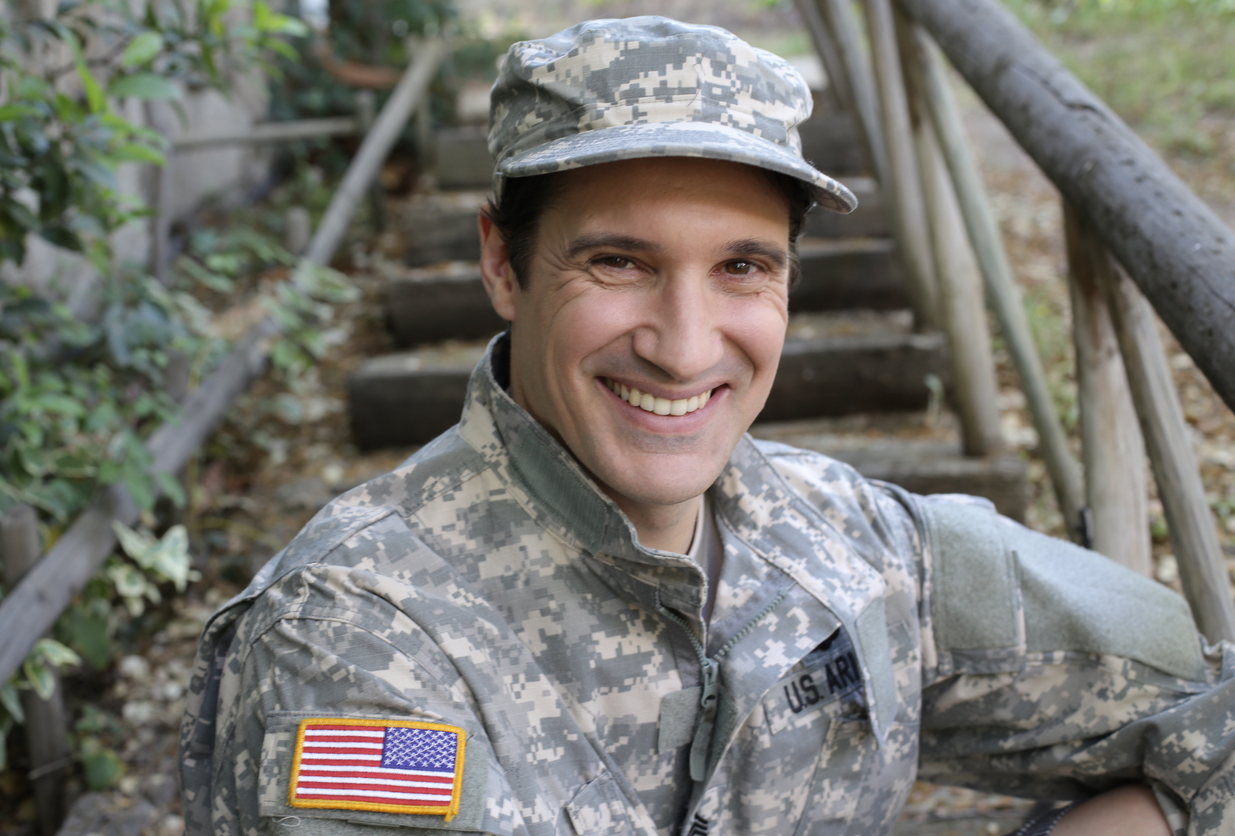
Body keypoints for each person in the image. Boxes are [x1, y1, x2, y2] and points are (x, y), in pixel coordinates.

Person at [179, 17, 1235, 836]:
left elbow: (1205, 705)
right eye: (619, 262)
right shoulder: (351, 637)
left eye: (743, 267)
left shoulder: (858, 544)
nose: (685, 348)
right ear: (503, 263)